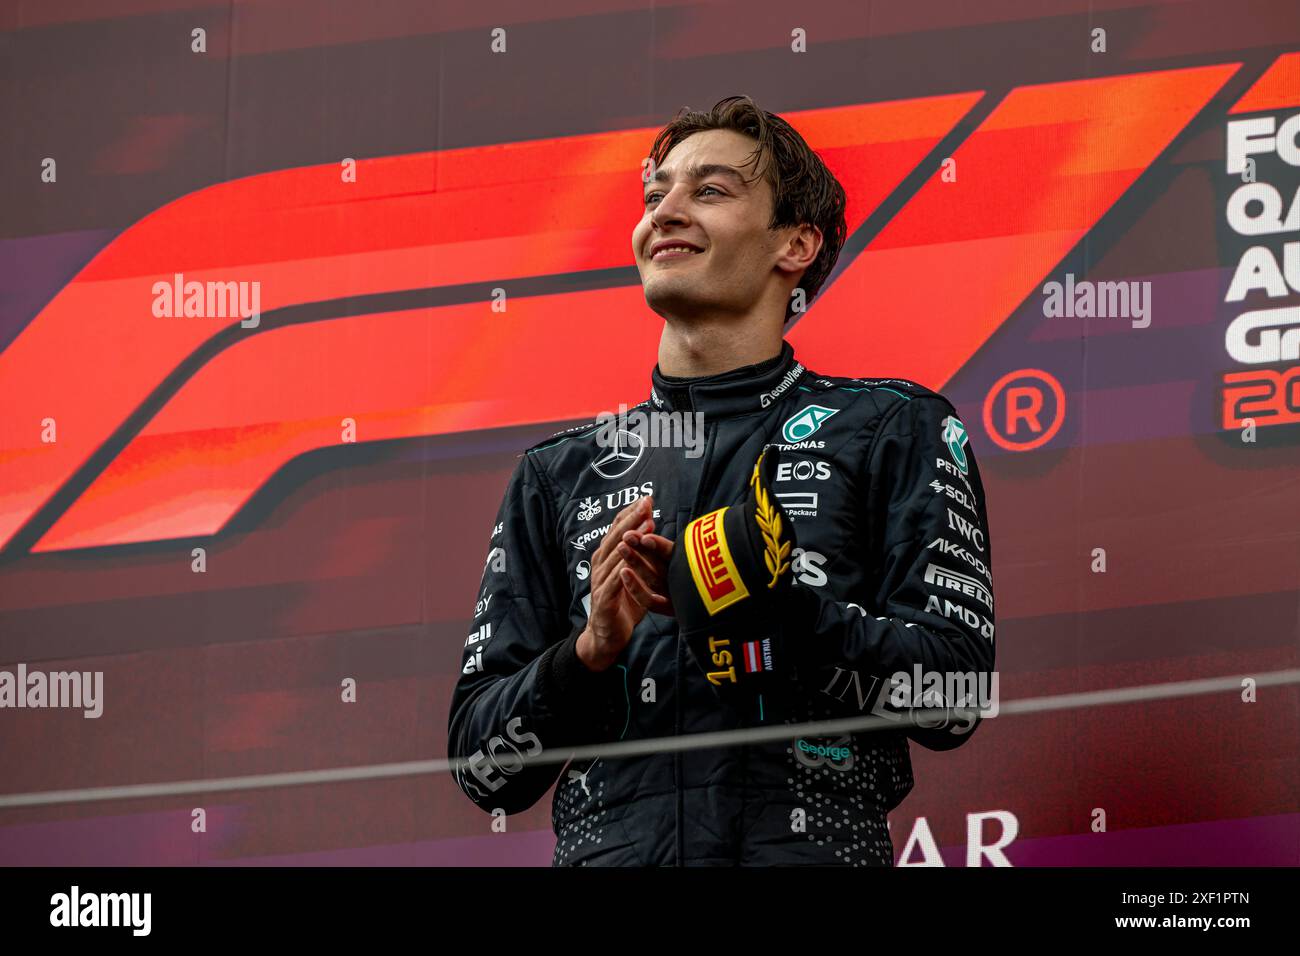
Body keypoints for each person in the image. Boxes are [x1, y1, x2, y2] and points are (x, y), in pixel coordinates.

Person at [446, 95, 996, 866]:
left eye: (709, 191)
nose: (665, 212)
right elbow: (482, 770)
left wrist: (783, 617)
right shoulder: (557, 472)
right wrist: (589, 652)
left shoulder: (890, 426)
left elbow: (955, 702)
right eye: (654, 194)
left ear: (796, 244)